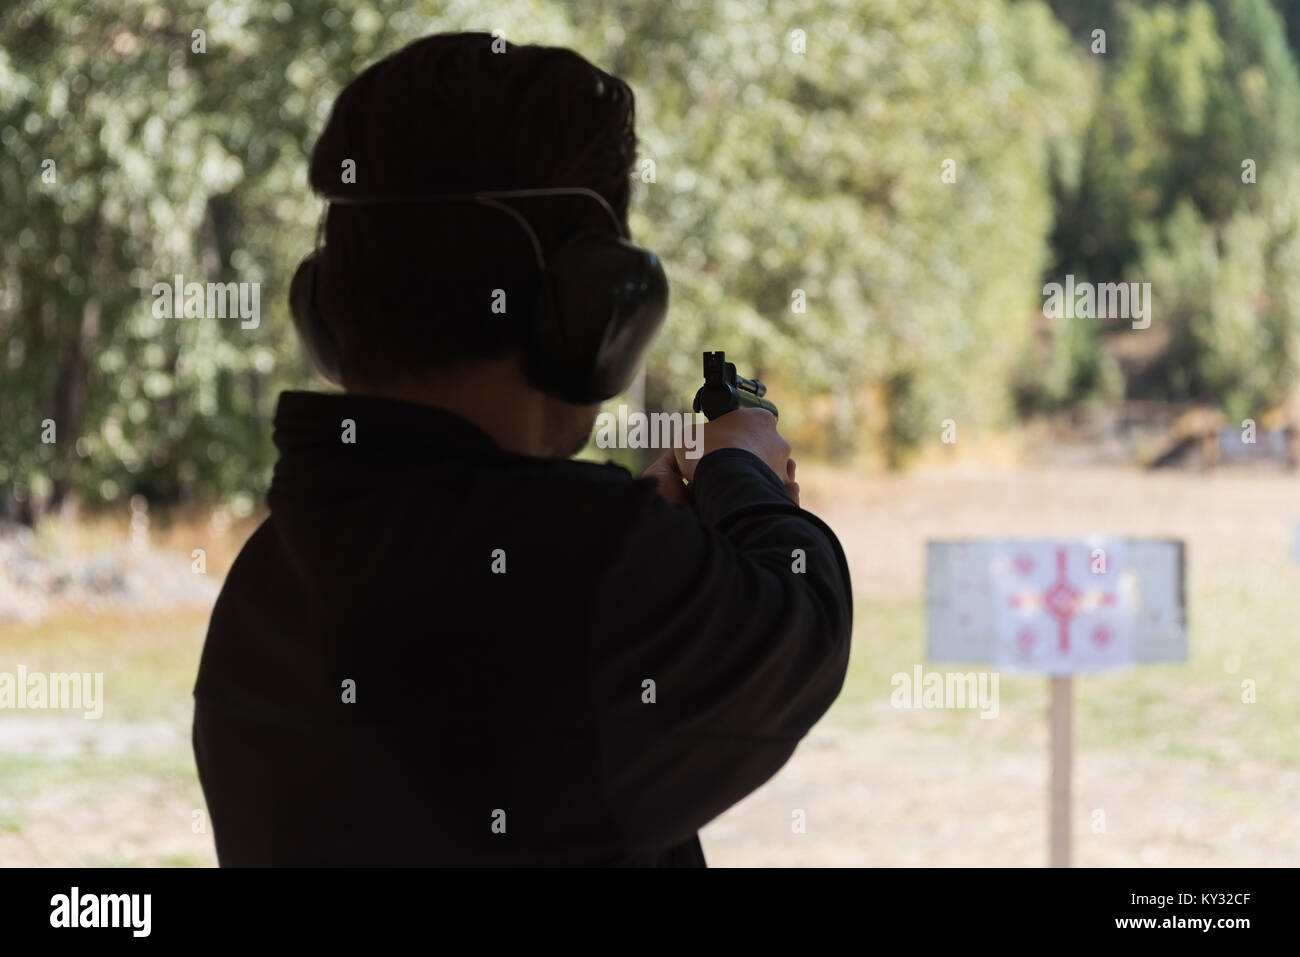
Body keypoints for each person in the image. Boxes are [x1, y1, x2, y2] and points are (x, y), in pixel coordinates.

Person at [192, 31, 852, 867]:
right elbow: (799, 627)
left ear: (329, 306)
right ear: (595, 305)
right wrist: (742, 467)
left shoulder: (273, 578)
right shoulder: (580, 569)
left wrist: (636, 528)